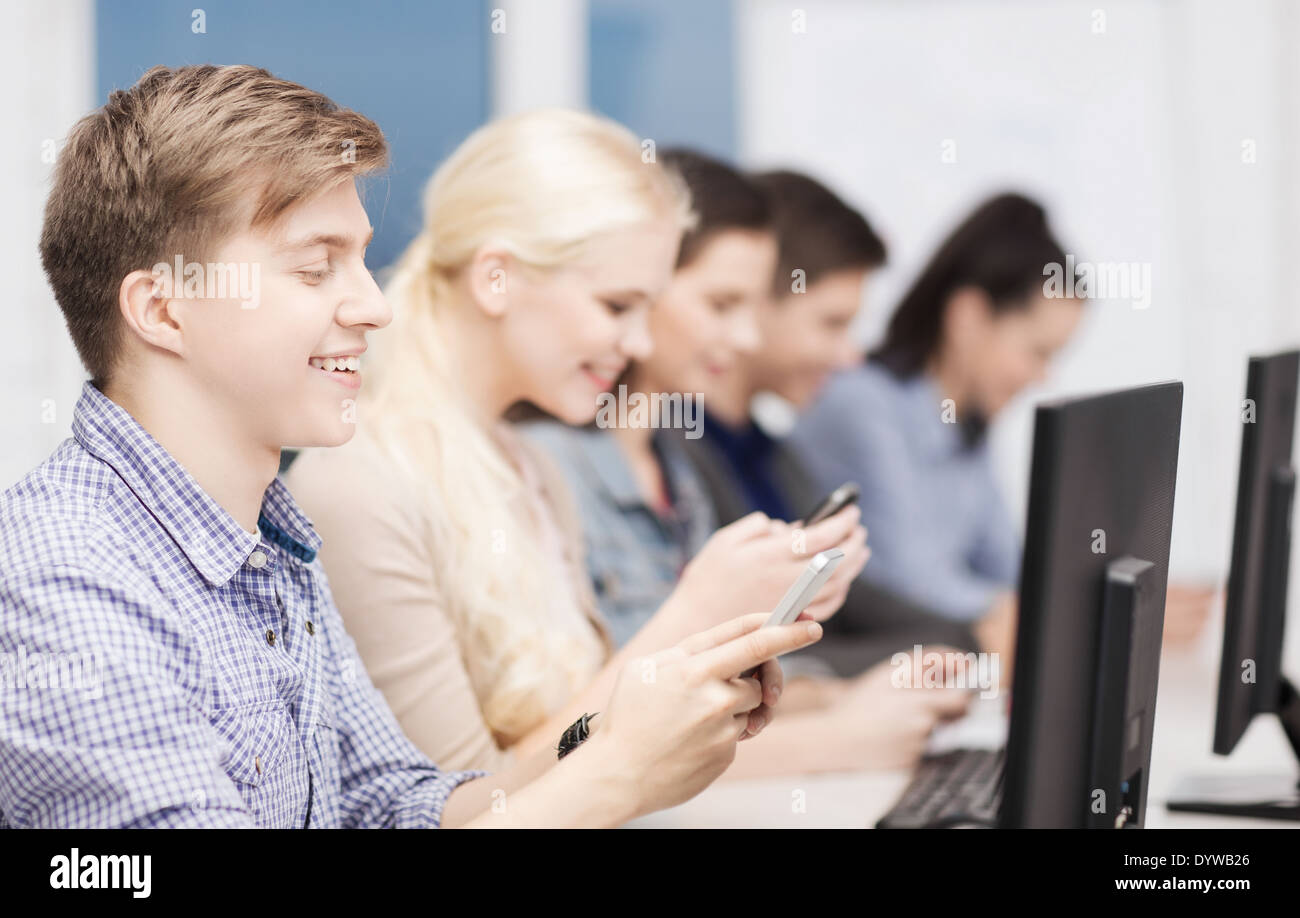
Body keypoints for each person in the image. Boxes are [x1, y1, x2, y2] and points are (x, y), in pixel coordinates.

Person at [0, 66, 824, 829]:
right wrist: (613, 776)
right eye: (315, 268)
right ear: (165, 310)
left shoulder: (273, 547)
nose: (372, 306)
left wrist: (634, 729)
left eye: (358, 262)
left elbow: (402, 806)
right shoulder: (64, 580)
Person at [284, 110, 865, 778]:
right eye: (618, 307)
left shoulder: (533, 472)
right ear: (495, 276)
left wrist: (738, 625)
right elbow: (458, 807)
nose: (641, 344)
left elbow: (581, 736)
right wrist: (696, 610)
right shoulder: (362, 488)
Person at [524, 150, 971, 775]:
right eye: (721, 304)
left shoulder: (678, 476)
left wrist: (823, 696)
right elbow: (575, 742)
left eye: (750, 306)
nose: (746, 339)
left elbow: (712, 694)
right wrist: (835, 734)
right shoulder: (546, 474)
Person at [676, 169, 1019, 672]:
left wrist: (969, 637)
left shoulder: (772, 454)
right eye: (832, 323)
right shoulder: (680, 454)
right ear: (757, 299)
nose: (849, 357)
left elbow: (853, 606)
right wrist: (963, 649)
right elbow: (777, 655)